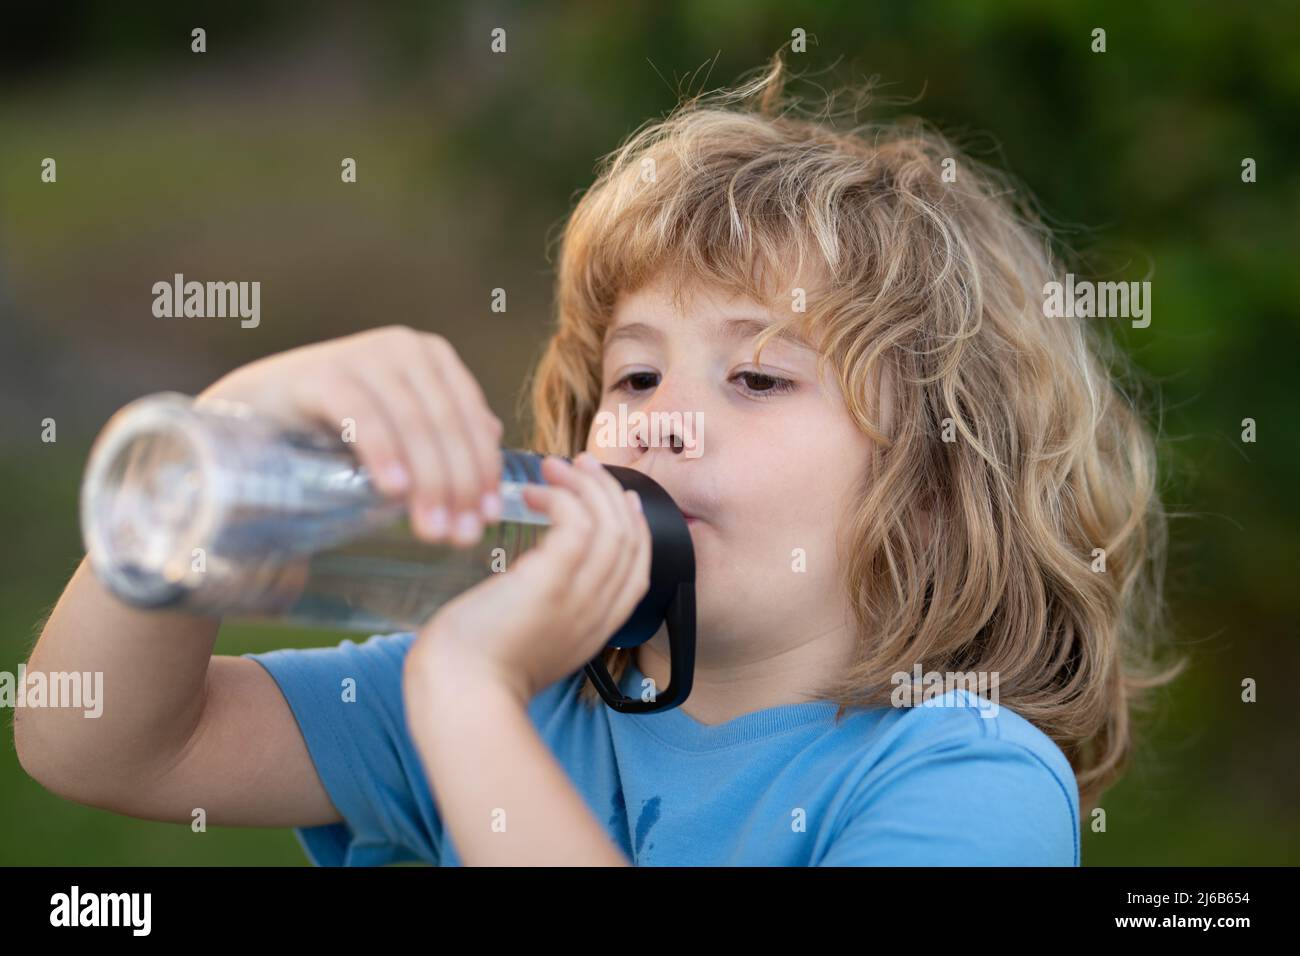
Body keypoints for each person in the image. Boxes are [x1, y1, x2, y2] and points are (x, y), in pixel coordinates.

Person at [15, 55, 1180, 866]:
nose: (659, 423)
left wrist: (471, 705)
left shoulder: (966, 774)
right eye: (632, 375)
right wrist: (222, 446)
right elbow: (102, 740)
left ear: (937, 488)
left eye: (759, 377)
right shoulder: (546, 693)